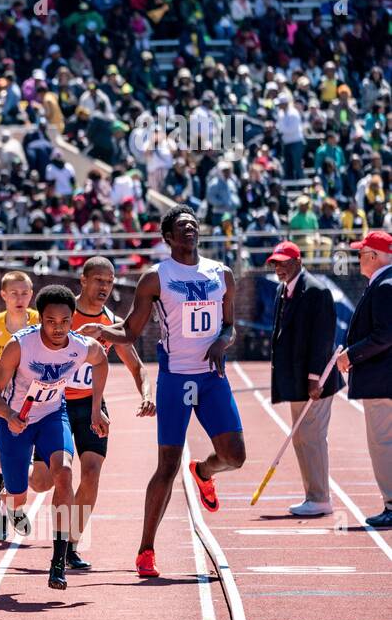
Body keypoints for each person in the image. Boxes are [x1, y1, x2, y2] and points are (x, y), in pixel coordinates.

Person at [80, 205, 246, 578]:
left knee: (235, 456)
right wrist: (104, 332)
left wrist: (223, 341)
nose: (190, 229)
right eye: (181, 226)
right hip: (175, 378)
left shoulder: (221, 274)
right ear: (168, 238)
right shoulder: (156, 278)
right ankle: (146, 550)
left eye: (193, 224)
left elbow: (230, 326)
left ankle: (204, 472)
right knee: (167, 466)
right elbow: (131, 331)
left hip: (211, 377)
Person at [27, 257, 154, 568]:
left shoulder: (111, 323)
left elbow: (137, 367)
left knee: (92, 473)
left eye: (109, 282)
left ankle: (70, 545)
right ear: (82, 280)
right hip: (54, 402)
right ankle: (8, 468)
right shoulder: (62, 314)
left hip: (90, 404)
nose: (105, 288)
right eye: (98, 280)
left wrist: (147, 395)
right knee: (42, 482)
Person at [0, 285, 110, 590]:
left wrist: (96, 409)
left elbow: (102, 360)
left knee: (64, 474)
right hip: (18, 420)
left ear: (72, 321)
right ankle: (12, 506)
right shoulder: (20, 346)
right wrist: (8, 416)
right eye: (51, 322)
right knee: (19, 494)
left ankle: (58, 562)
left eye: (65, 322)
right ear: (40, 320)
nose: (58, 328)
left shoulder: (80, 346)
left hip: (53, 416)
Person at [265, 241, 342, 517]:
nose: (279, 268)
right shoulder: (281, 290)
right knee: (302, 439)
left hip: (316, 382)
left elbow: (323, 338)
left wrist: (314, 378)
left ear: (298, 261)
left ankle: (320, 497)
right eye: (275, 263)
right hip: (296, 381)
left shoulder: (317, 291)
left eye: (284, 262)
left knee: (312, 438)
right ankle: (313, 495)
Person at [334, 230, 392, 529]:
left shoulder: (384, 286)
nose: (358, 258)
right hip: (384, 378)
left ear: (375, 256)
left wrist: (350, 356)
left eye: (361, 253)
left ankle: (391, 504)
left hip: (383, 380)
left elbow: (384, 335)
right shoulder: (383, 283)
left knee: (383, 443)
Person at [0, 270, 38, 502]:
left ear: (31, 294)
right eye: (14, 293)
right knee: (0, 442)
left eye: (24, 293)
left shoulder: (41, 321)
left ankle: (4, 471)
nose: (19, 298)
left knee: (22, 444)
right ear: (4, 295)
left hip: (30, 395)